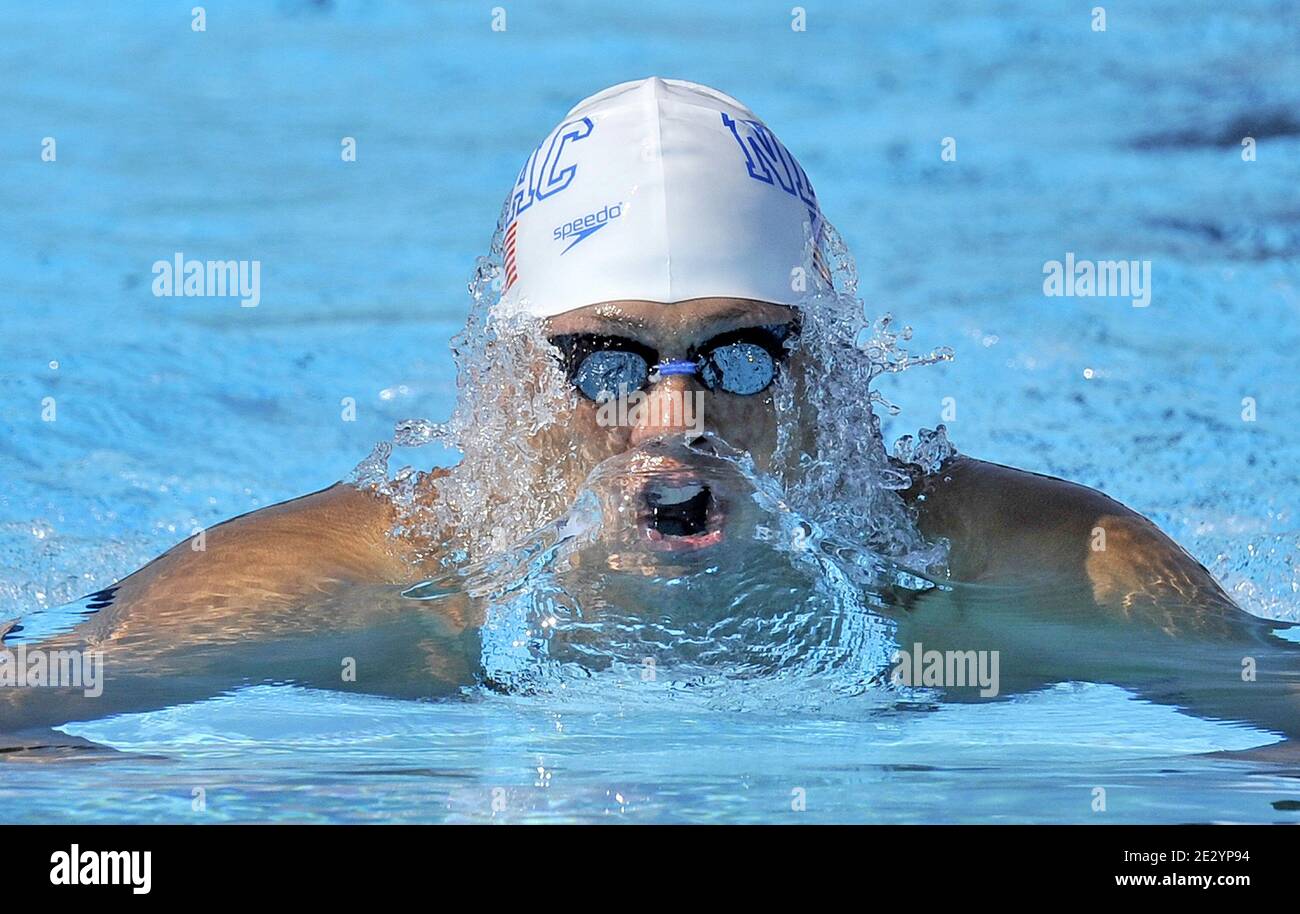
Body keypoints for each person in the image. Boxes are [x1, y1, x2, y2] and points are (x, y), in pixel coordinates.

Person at [3, 78, 1293, 741]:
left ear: (829, 366)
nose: (672, 417)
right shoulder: (383, 592)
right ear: (518, 377)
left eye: (740, 356)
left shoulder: (1018, 575)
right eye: (606, 361)